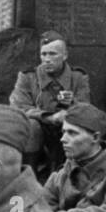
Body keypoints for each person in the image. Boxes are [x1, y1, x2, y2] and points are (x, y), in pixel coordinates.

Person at [9, 32, 90, 171]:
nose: (47, 59)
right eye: (43, 54)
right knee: (31, 125)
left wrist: (72, 103)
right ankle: (30, 171)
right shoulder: (27, 77)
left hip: (66, 126)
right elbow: (19, 107)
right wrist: (49, 117)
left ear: (64, 55)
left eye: (52, 54)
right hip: (39, 128)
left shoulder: (78, 77)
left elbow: (86, 108)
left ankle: (72, 172)